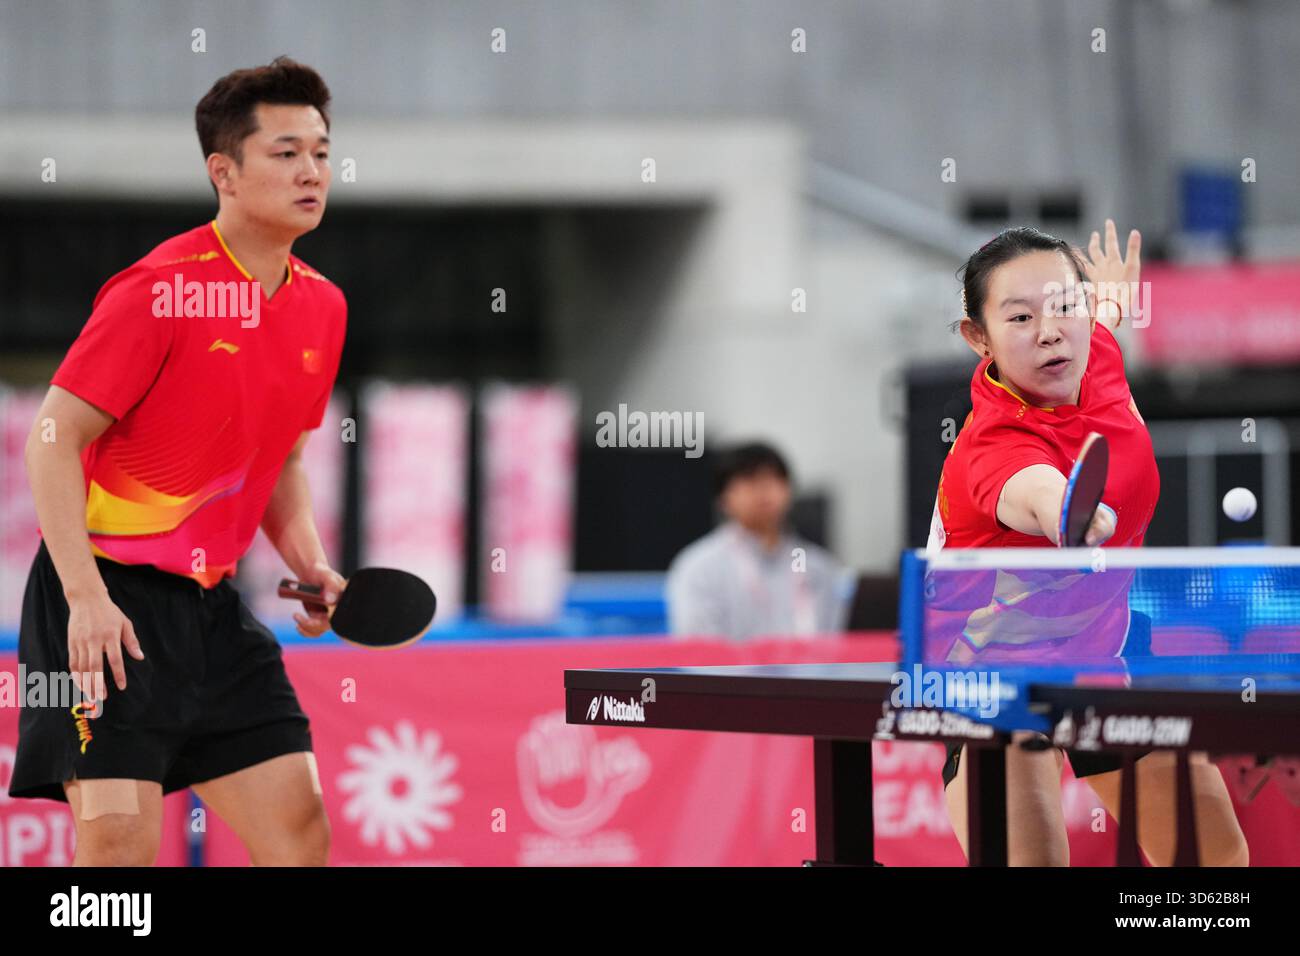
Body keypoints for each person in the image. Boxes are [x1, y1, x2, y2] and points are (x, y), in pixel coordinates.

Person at [8, 57, 347, 866]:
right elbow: (51, 439)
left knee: (299, 833)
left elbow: (283, 462)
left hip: (212, 610)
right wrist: (85, 600)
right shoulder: (157, 290)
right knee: (120, 846)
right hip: (104, 602)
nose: (312, 172)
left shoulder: (321, 306)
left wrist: (309, 563)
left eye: (323, 153)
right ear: (222, 172)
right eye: (287, 152)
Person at [929, 221, 1247, 865]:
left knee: (1212, 866)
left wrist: (1104, 305)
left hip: (1101, 654)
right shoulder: (992, 449)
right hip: (991, 682)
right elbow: (1039, 493)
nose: (1050, 330)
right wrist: (1072, 515)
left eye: (1064, 306)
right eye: (1019, 316)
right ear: (977, 337)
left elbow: (1095, 326)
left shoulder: (1092, 353)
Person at [666, 442, 851, 640]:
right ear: (723, 498)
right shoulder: (699, 567)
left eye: (775, 478)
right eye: (750, 480)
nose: (765, 489)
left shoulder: (818, 566)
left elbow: (834, 645)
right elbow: (699, 650)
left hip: (810, 670)